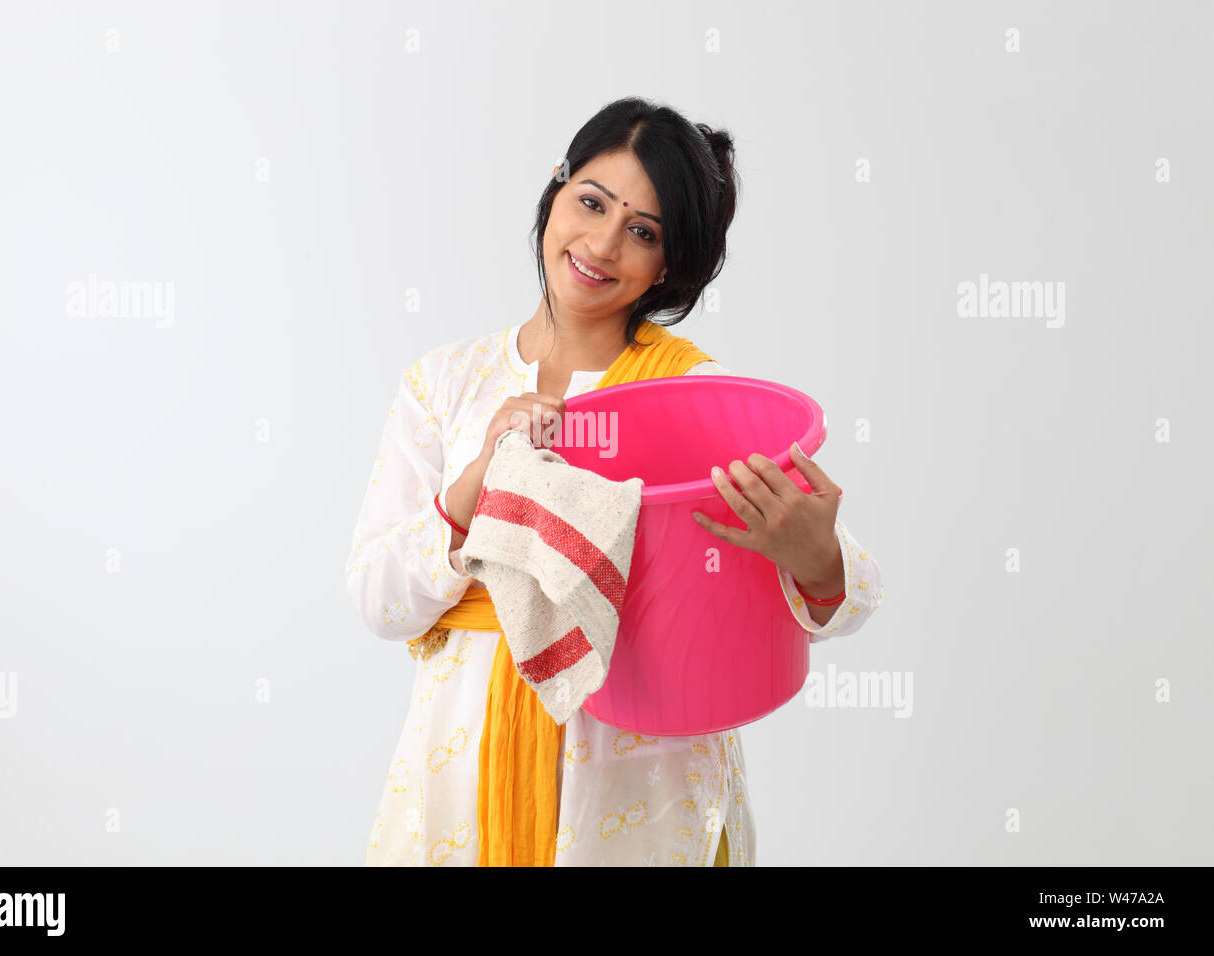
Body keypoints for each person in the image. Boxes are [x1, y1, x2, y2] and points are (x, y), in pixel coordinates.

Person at [348, 97, 884, 866]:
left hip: (639, 793)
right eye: (591, 202)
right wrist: (477, 481)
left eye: (643, 232)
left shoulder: (694, 395)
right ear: (556, 189)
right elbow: (379, 599)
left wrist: (814, 556)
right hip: (459, 781)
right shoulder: (446, 384)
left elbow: (854, 594)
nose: (601, 243)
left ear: (669, 262)